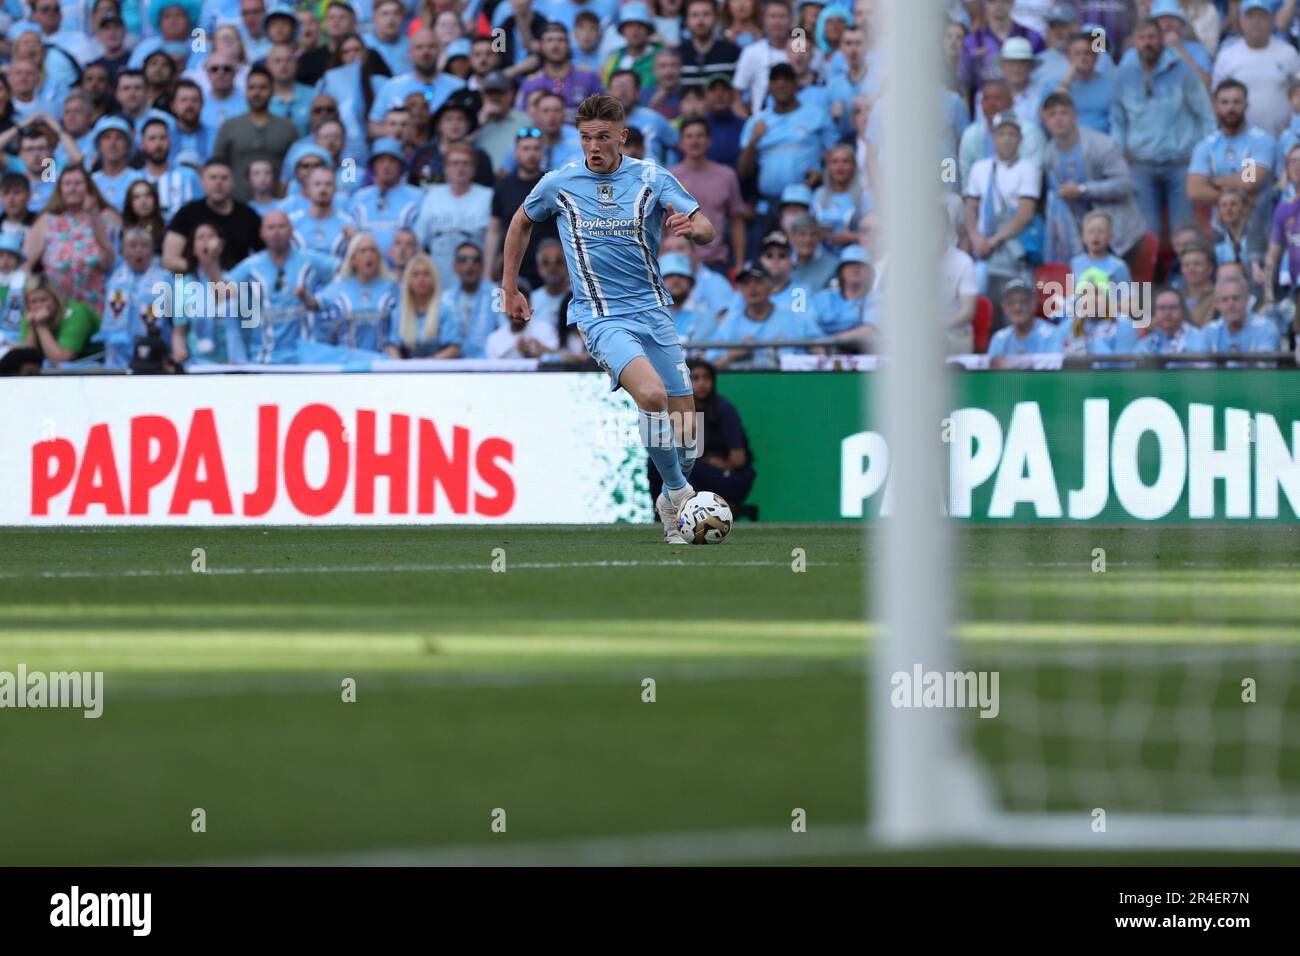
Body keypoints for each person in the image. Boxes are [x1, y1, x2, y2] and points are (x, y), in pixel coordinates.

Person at [502, 92, 717, 545]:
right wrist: (510, 287)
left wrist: (690, 229)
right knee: (652, 396)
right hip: (600, 316)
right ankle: (677, 494)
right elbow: (521, 221)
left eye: (602, 137)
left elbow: (706, 227)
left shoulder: (651, 177)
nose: (593, 147)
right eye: (585, 138)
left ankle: (673, 488)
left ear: (622, 137)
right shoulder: (559, 183)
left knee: (689, 441)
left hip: (654, 312)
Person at [1110, 17, 1214, 242]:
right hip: (1141, 164)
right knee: (1148, 234)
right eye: (1142, 38)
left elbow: (1205, 114)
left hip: (1181, 163)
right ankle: (1151, 278)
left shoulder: (1182, 71)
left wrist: (1206, 157)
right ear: (1134, 41)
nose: (1147, 43)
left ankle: (1183, 276)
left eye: (1152, 37)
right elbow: (1118, 121)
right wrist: (1119, 155)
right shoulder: (1124, 75)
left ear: (1162, 40)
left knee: (1184, 231)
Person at [226, 208, 335, 363]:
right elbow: (221, 292)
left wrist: (320, 300)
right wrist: (210, 264)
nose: (276, 232)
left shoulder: (310, 260)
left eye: (281, 226)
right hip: (264, 359)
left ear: (291, 230)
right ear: (262, 233)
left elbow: (344, 272)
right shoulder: (251, 266)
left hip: (307, 360)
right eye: (271, 227)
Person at [963, 110, 1040, 306]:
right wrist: (975, 237)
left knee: (1015, 299)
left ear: (1020, 139)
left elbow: (1025, 213)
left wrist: (994, 240)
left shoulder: (1027, 168)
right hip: (983, 249)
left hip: (1012, 248)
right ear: (993, 137)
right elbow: (971, 207)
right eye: (1001, 134)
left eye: (1011, 135)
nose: (1006, 140)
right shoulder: (980, 168)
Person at [24, 165, 119, 313]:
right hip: (55, 307)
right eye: (67, 184)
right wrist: (39, 295)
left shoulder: (106, 217)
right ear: (60, 189)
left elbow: (109, 263)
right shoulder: (46, 221)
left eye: (78, 183)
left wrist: (93, 215)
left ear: (88, 187)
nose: (72, 188)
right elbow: (25, 265)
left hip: (94, 306)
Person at [1211, 0, 1300, 139]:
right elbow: (1217, 98)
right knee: (1250, 162)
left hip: (1282, 141)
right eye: (1250, 16)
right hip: (1243, 144)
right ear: (1241, 20)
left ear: (1271, 19)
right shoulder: (1227, 55)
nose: (1256, 21)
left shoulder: (1288, 53)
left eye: (1262, 16)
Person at [211, 65, 299, 202]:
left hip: (279, 205)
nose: (257, 92)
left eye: (262, 87)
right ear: (245, 91)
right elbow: (217, 165)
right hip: (237, 204)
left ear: (272, 90)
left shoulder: (288, 128)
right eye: (251, 88)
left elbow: (297, 169)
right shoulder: (229, 126)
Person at [302, 232, 399, 352]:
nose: (368, 255)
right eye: (363, 251)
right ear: (353, 260)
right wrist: (303, 295)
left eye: (372, 250)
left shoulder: (391, 286)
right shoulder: (340, 285)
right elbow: (316, 304)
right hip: (350, 364)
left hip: (381, 363)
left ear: (379, 257)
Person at [671, 117, 746, 270]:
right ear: (681, 143)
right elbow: (658, 224)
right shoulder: (668, 177)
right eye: (689, 136)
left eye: (700, 136)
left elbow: (737, 221)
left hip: (715, 261)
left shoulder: (727, 175)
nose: (695, 141)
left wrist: (739, 264)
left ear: (709, 141)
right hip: (676, 262)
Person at [170, 221, 249, 365]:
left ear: (221, 244)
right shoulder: (184, 285)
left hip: (234, 363)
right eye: (200, 237)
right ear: (193, 249)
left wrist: (212, 261)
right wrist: (180, 351)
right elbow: (179, 332)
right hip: (200, 364)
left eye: (211, 236)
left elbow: (221, 292)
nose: (206, 241)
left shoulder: (237, 278)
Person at [163, 159, 264, 271]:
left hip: (238, 283)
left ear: (233, 183)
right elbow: (169, 259)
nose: (218, 183)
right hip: (197, 282)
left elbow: (265, 255)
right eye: (213, 177)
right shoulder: (187, 213)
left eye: (224, 178)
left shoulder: (248, 215)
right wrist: (208, 271)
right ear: (202, 182)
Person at [415, 141, 492, 284]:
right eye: (455, 163)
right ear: (446, 168)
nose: (460, 168)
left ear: (474, 168)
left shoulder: (487, 196)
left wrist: (488, 276)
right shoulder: (432, 196)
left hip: (475, 276)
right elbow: (419, 240)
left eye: (466, 163)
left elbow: (493, 240)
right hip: (437, 276)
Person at [97, 225, 170, 368]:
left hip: (153, 347)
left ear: (152, 250)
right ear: (123, 251)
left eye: (144, 245)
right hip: (118, 350)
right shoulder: (113, 273)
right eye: (132, 246)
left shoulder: (165, 277)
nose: (139, 250)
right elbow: (104, 245)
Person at [349, 138, 423, 263]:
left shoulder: (417, 197)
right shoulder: (359, 197)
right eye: (381, 160)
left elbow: (420, 241)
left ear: (400, 166)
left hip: (404, 271)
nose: (386, 165)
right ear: (373, 166)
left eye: (392, 161)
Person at [386, 251, 460, 358]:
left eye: (426, 274)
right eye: (415, 274)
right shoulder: (400, 312)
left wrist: (429, 365)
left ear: (434, 278)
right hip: (406, 371)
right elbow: (393, 346)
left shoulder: (444, 310)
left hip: (438, 370)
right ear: (408, 280)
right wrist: (400, 367)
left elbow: (454, 347)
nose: (421, 279)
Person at [17, 273, 99, 366]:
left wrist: (41, 326)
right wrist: (32, 327)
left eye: (43, 300)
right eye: (33, 301)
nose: (39, 306)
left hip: (93, 364)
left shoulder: (77, 314)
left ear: (56, 298)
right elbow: (25, 358)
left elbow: (62, 358)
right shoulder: (30, 314)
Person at [1202, 271, 1281, 355]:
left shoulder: (1266, 328)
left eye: (1235, 298)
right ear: (1217, 304)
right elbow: (1201, 366)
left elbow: (1264, 366)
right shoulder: (1209, 331)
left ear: (1246, 300)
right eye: (1225, 299)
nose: (1230, 304)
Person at [986, 276, 1062, 362]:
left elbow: (1054, 374)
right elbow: (992, 374)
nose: (1017, 307)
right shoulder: (999, 338)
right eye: (1010, 302)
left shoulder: (1050, 335)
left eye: (1023, 301)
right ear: (1004, 307)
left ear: (1033, 304)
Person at [1139, 286, 1207, 355]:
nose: (1167, 312)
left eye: (1173, 307)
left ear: (1182, 311)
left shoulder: (1198, 339)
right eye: (1162, 308)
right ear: (1155, 312)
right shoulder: (1148, 342)